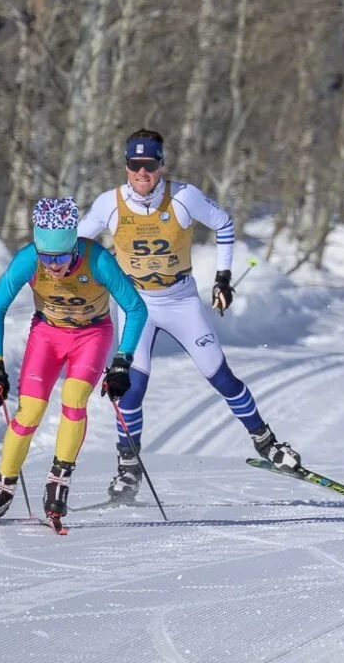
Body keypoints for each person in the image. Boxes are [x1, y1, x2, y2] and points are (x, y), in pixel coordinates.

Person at [78, 129, 302, 502]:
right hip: (136, 307)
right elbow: (79, 245)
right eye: (134, 165)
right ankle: (128, 470)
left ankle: (267, 443)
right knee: (130, 390)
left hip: (181, 301)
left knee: (222, 378)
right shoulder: (109, 204)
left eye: (149, 165)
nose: (142, 173)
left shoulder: (184, 197)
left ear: (161, 165)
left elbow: (224, 224)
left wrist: (223, 278)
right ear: (126, 166)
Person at [0, 198, 148, 523]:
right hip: (48, 335)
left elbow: (136, 309)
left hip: (91, 336)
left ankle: (58, 481)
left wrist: (122, 361)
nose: (53, 266)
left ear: (75, 248)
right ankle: (3, 488)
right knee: (30, 411)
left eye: (62, 257)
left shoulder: (98, 260)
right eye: (47, 257)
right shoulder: (28, 260)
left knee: (73, 398)